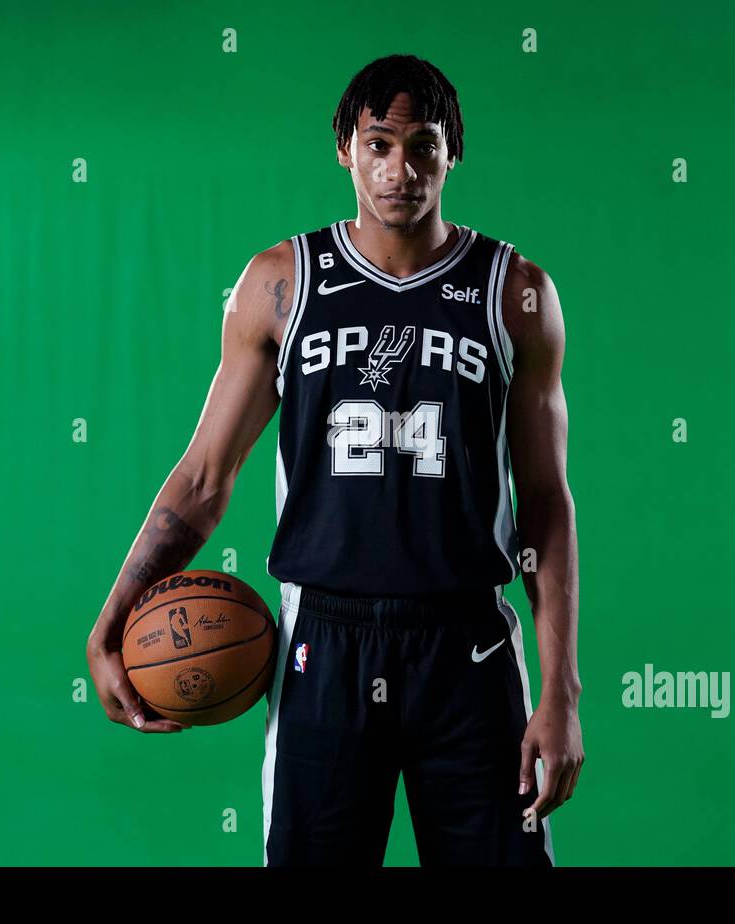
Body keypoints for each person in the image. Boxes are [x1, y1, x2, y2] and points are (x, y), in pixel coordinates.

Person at [86, 53, 582, 866]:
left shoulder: (513, 291)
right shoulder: (283, 282)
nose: (400, 170)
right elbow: (207, 476)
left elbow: (545, 502)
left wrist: (560, 689)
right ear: (344, 147)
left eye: (423, 145)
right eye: (378, 143)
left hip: (470, 648)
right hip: (324, 642)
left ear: (452, 151)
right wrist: (112, 623)